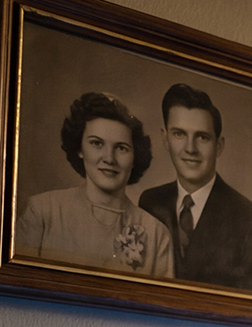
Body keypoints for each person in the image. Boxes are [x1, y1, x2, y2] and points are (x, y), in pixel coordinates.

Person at [137, 83, 252, 293]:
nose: (190, 148)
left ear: (218, 146)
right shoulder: (150, 203)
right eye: (179, 134)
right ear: (165, 139)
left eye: (202, 137)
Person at [17, 92, 173, 278]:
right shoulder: (42, 212)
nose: (109, 159)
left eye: (121, 148)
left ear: (134, 158)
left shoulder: (156, 234)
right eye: (97, 143)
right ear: (80, 148)